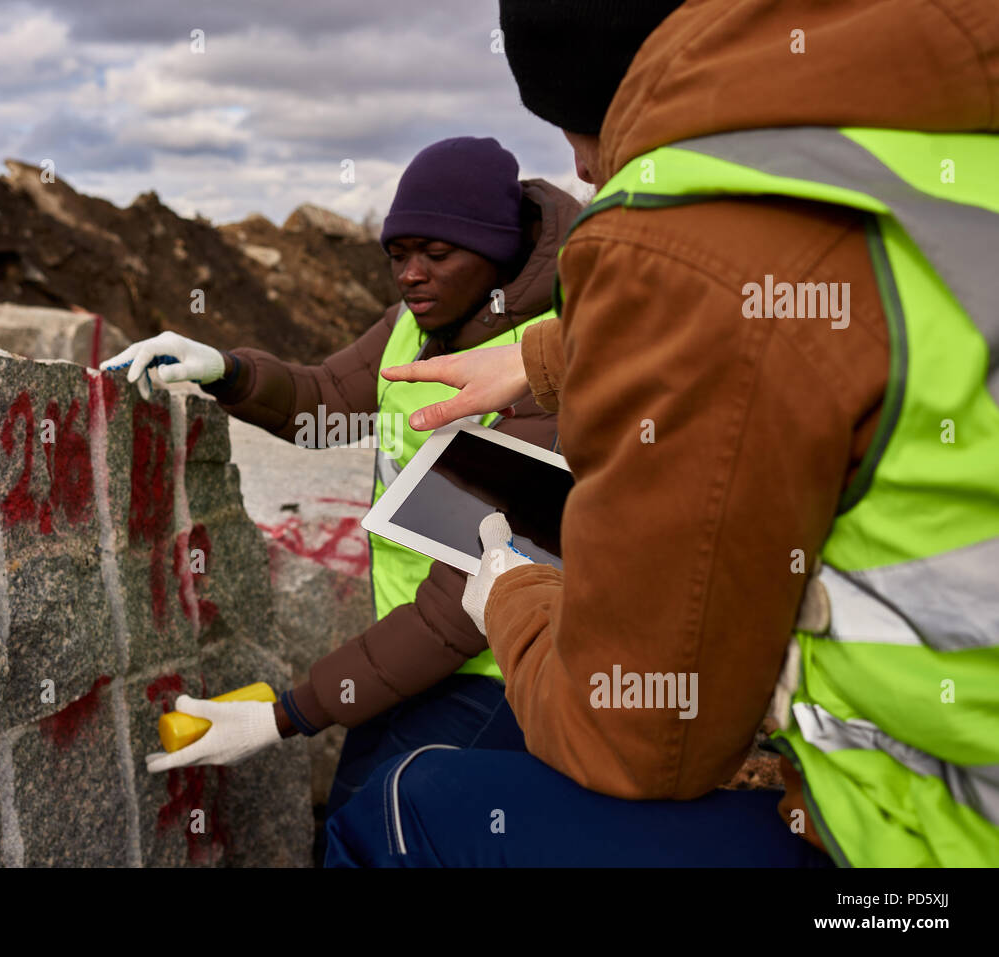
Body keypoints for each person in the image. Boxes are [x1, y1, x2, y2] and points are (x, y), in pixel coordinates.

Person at [323, 0, 999, 867]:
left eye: (571, 133)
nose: (583, 168)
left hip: (923, 854)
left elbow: (640, 736)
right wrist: (553, 354)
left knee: (402, 808)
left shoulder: (683, 224)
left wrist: (510, 591)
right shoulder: (928, 135)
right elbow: (833, 305)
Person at [101, 137, 582, 813]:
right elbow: (324, 400)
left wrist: (287, 712)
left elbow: (459, 604)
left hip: (499, 672)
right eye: (397, 253)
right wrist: (226, 370)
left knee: (386, 831)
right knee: (355, 825)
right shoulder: (408, 329)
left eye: (436, 254)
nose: (410, 274)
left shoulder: (543, 370)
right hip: (409, 658)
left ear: (498, 249)